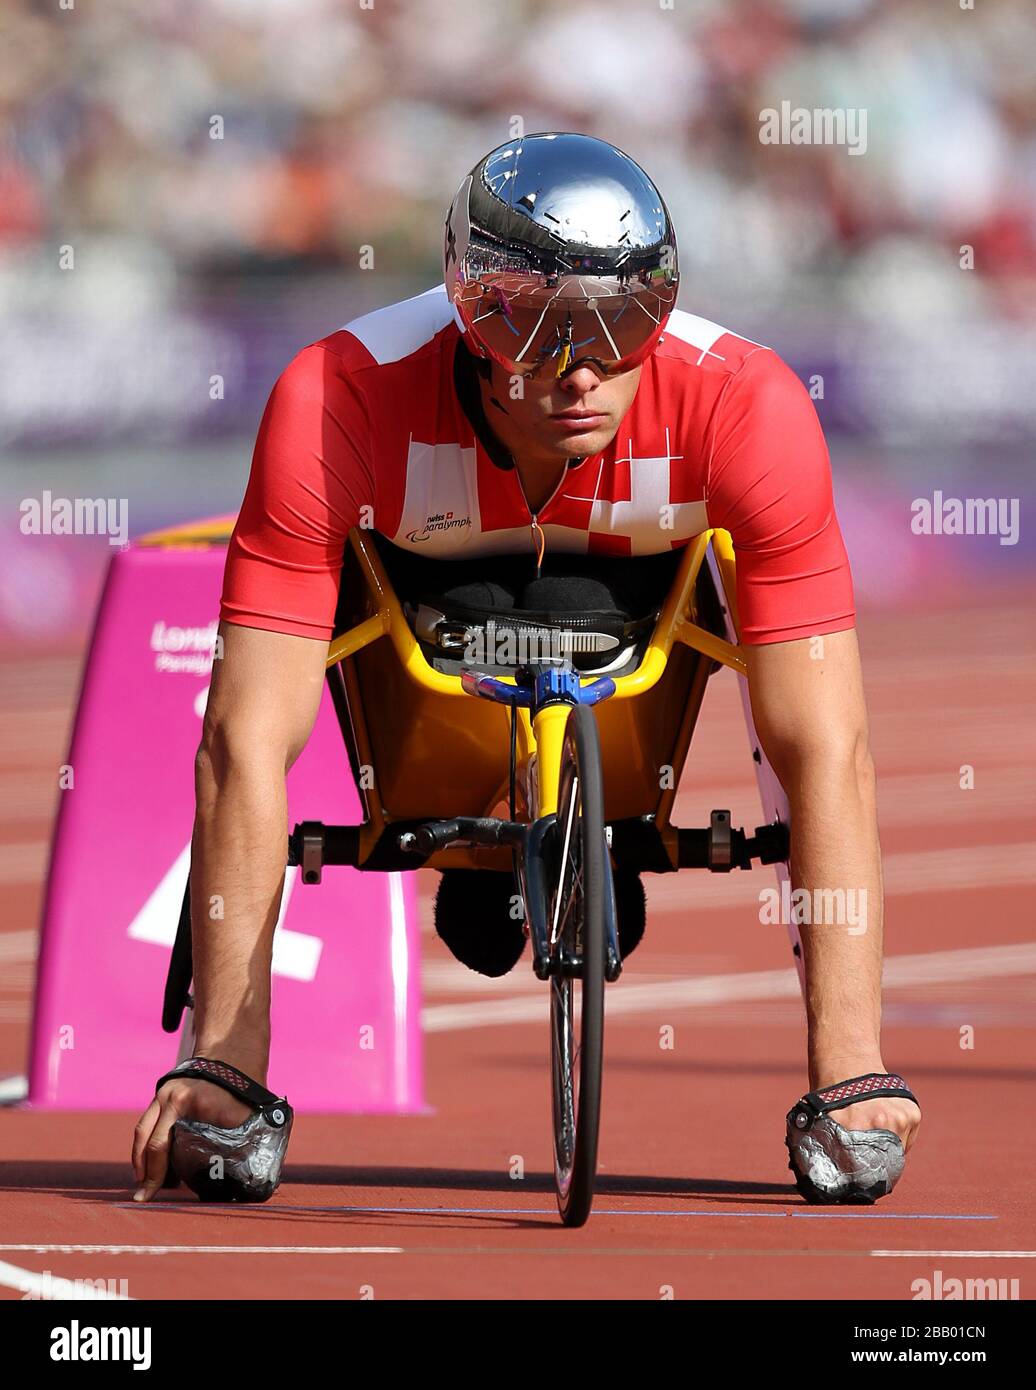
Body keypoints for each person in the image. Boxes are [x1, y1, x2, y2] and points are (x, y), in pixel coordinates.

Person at [132, 133, 921, 1206]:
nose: (582, 369)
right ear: (464, 305)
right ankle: (232, 1056)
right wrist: (220, 1059)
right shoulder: (337, 397)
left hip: (635, 641)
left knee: (807, 712)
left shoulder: (746, 404)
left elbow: (825, 747)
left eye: (622, 324)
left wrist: (853, 1070)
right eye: (534, 330)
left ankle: (836, 1068)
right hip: (416, 654)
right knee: (284, 743)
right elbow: (242, 738)